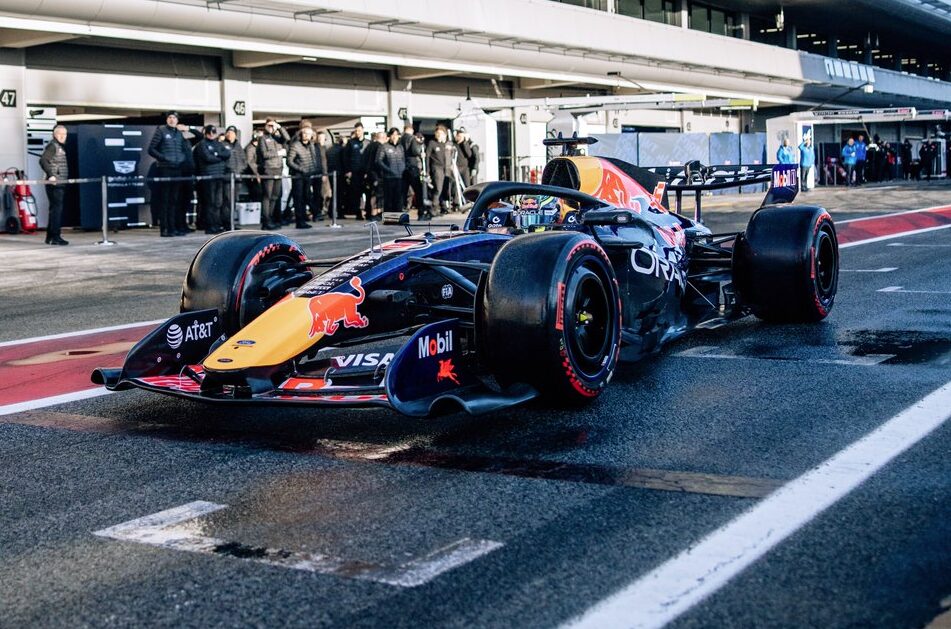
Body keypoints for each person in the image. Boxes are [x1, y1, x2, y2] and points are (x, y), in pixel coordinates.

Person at [148, 111, 191, 237]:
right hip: (165, 169)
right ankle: (165, 228)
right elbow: (151, 149)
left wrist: (181, 159)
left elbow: (183, 149)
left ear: (177, 120)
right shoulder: (161, 131)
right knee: (165, 200)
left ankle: (173, 228)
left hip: (177, 169)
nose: (172, 120)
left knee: (174, 200)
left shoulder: (179, 133)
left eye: (174, 118)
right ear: (167, 119)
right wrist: (163, 158)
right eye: (170, 117)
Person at [193, 124, 231, 234]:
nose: (211, 135)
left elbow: (227, 153)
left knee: (217, 202)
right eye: (209, 133)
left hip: (219, 176)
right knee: (209, 202)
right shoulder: (202, 144)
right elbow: (207, 158)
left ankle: (216, 224)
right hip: (208, 176)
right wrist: (220, 157)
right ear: (205, 134)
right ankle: (209, 225)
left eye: (213, 133)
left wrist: (216, 154)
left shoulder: (218, 144)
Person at [286, 127, 323, 229]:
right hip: (298, 176)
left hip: (308, 175)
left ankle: (304, 219)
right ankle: (299, 221)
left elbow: (313, 159)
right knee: (298, 198)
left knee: (306, 197)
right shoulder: (295, 145)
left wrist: (313, 170)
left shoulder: (311, 145)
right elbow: (289, 161)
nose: (306, 135)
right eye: (304, 133)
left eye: (308, 134)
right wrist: (300, 169)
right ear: (301, 134)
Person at [256, 118, 290, 230]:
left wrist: (279, 127)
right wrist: (279, 153)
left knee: (275, 196)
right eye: (269, 125)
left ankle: (270, 218)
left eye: (272, 125)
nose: (271, 127)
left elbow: (287, 138)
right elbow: (264, 154)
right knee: (267, 196)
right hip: (268, 168)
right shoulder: (262, 139)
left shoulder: (278, 138)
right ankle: (265, 220)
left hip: (278, 168)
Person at [39, 124, 69, 245]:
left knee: (54, 210)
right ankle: (55, 237)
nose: (62, 136)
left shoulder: (59, 146)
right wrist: (51, 175)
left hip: (59, 182)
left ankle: (50, 237)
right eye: (60, 134)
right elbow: (43, 160)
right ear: (54, 135)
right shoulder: (53, 146)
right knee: (57, 210)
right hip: (55, 183)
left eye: (64, 134)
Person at [343, 122, 371, 220]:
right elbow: (346, 158)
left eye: (359, 130)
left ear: (363, 130)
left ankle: (368, 212)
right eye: (356, 131)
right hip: (355, 172)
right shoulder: (351, 143)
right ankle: (358, 212)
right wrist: (348, 171)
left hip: (366, 172)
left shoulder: (368, 143)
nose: (358, 132)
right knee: (356, 193)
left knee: (368, 193)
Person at [376, 127, 406, 214]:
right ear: (389, 136)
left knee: (399, 199)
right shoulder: (384, 147)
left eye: (396, 135)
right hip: (388, 177)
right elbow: (379, 160)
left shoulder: (401, 147)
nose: (394, 137)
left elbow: (403, 159)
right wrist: (388, 170)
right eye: (392, 135)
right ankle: (389, 218)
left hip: (399, 177)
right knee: (389, 199)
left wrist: (403, 169)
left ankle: (398, 217)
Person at [401, 125, 428, 219]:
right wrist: (421, 152)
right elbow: (415, 150)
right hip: (413, 167)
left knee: (403, 192)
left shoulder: (401, 139)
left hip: (403, 167)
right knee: (418, 191)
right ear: (411, 130)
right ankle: (421, 212)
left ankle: (402, 212)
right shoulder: (413, 138)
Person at [221, 125, 247, 223]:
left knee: (234, 200)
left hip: (237, 177)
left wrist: (240, 170)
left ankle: (231, 221)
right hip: (228, 177)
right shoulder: (222, 145)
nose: (229, 134)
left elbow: (244, 160)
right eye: (228, 132)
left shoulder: (238, 145)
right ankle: (227, 223)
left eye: (232, 133)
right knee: (227, 200)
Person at [427, 125, 454, 214]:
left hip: (446, 168)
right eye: (437, 133)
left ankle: (443, 207)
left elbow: (452, 155)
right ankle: (433, 208)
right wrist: (427, 171)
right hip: (436, 168)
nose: (439, 135)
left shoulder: (446, 144)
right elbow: (427, 157)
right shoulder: (432, 143)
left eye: (441, 133)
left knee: (445, 188)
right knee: (438, 188)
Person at [314, 130, 331, 221]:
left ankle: (323, 210)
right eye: (319, 138)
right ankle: (319, 211)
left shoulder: (325, 148)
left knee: (326, 194)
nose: (321, 139)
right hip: (320, 174)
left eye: (322, 138)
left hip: (325, 173)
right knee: (319, 193)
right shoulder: (316, 148)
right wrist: (324, 174)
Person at [244, 131, 262, 204]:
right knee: (256, 192)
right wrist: (256, 173)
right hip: (253, 174)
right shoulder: (250, 148)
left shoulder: (256, 147)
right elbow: (250, 162)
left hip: (255, 173)